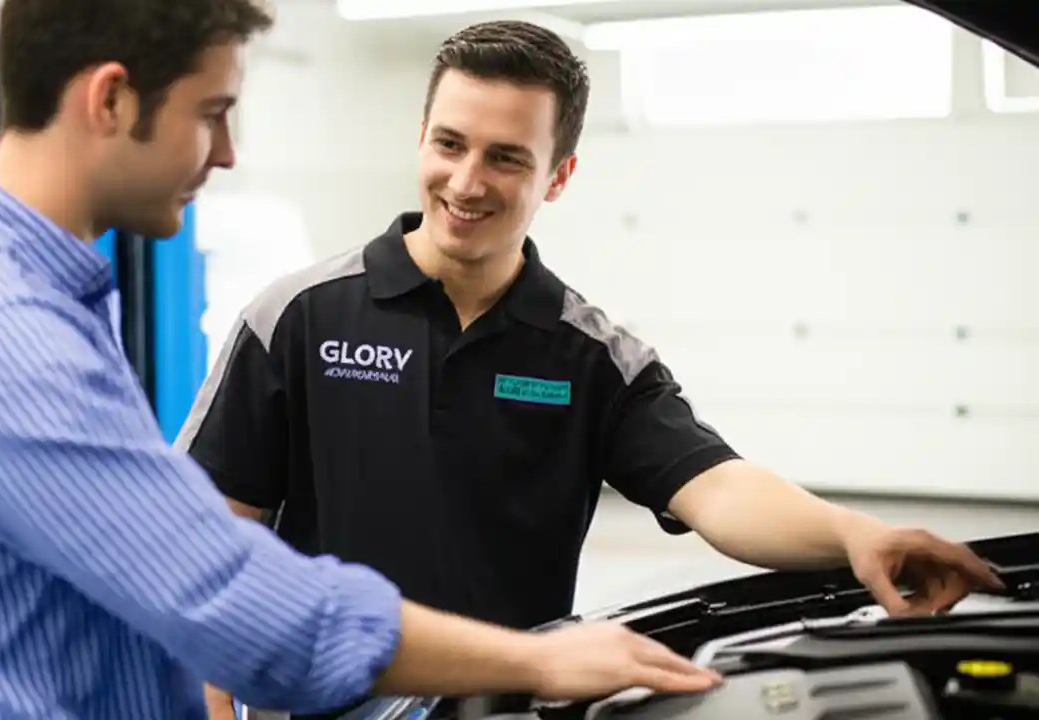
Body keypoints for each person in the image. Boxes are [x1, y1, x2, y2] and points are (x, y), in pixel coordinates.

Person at [0, 3, 727, 719]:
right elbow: (234, 601)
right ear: (110, 100)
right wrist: (539, 660)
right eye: (212, 114)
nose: (227, 153)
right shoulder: (1, 331)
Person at [178, 18, 1006, 720]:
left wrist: (856, 536)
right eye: (450, 144)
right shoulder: (299, 317)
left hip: (509, 706)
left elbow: (718, 488)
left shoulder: (590, 356)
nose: (466, 182)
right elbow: (207, 543)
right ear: (420, 136)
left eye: (506, 158)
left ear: (559, 176)